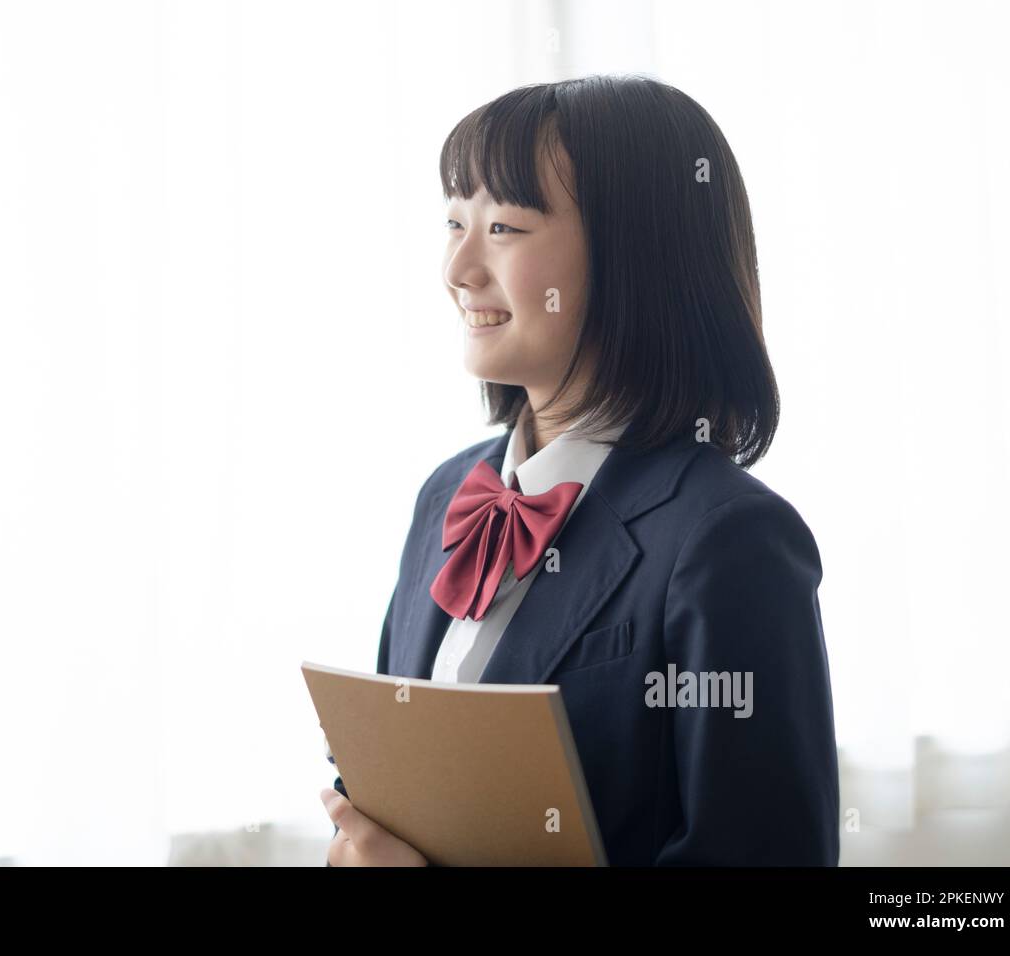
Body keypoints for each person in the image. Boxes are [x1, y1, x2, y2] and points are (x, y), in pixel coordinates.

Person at [321, 74, 839, 867]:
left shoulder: (729, 539)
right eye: (454, 222)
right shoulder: (446, 494)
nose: (459, 267)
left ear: (637, 253)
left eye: (503, 227)